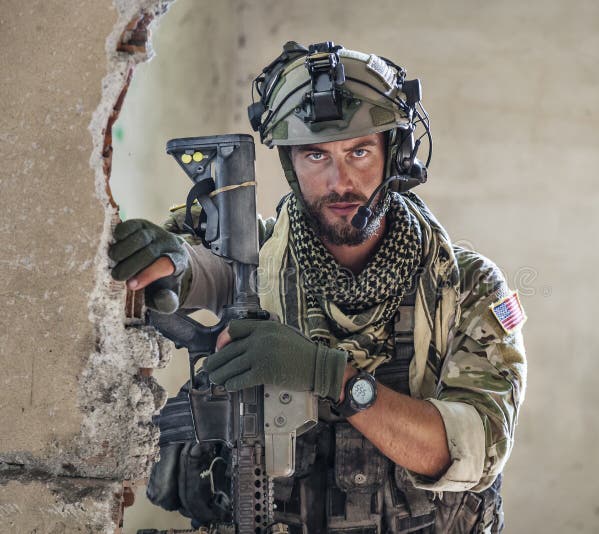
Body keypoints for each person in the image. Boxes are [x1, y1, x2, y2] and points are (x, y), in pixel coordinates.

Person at [111, 41, 527, 533]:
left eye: (359, 151)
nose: (339, 181)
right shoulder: (254, 256)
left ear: (394, 154)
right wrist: (174, 264)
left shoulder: (466, 287)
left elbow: (475, 449)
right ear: (290, 164)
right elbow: (208, 272)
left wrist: (334, 379)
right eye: (315, 155)